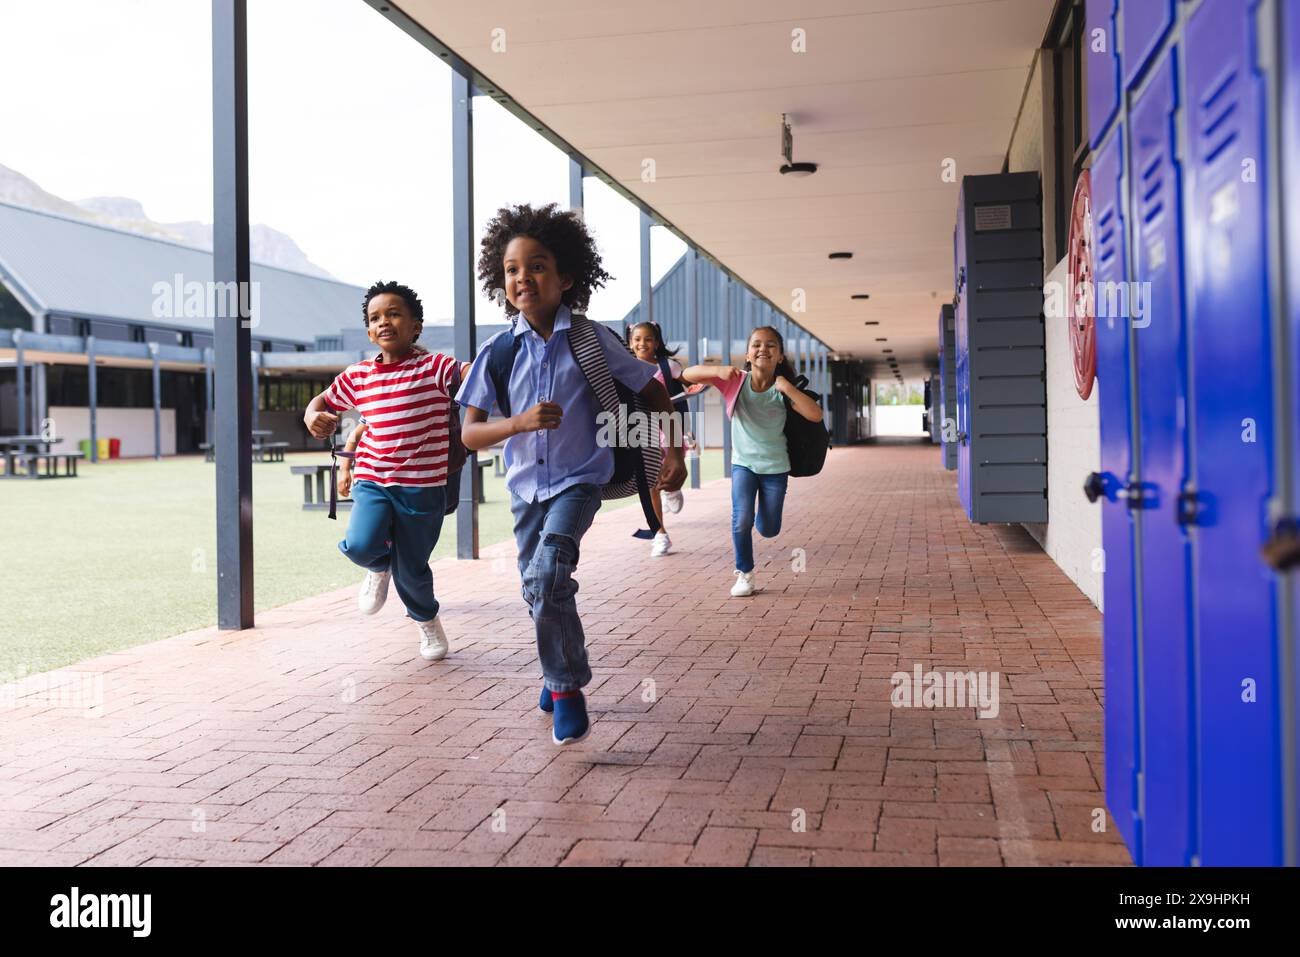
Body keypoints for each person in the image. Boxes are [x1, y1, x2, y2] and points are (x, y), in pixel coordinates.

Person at [456, 203, 686, 745]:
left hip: (580, 481)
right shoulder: (497, 350)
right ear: (500, 280)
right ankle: (553, 666)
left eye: (537, 266)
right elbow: (469, 434)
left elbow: (654, 391)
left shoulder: (591, 339)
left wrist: (672, 453)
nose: (523, 278)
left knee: (548, 574)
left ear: (566, 277)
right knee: (537, 589)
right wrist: (517, 422)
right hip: (524, 493)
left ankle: (566, 689)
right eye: (512, 269)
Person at [303, 281, 464, 662]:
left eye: (394, 314)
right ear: (369, 331)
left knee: (412, 571)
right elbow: (323, 400)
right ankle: (378, 567)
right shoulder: (358, 376)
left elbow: (473, 375)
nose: (384, 322)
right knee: (360, 544)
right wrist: (312, 413)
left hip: (423, 489)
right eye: (375, 318)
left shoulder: (435, 367)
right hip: (373, 480)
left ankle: (427, 620)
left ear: (416, 326)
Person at [681, 325, 822, 597]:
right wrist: (717, 371)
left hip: (775, 468)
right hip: (743, 464)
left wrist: (788, 388)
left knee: (769, 529)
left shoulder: (783, 389)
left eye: (771, 345)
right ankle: (744, 573)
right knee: (740, 519)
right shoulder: (736, 381)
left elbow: (815, 415)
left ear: (780, 356)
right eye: (757, 344)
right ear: (748, 354)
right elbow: (687, 375)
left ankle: (758, 520)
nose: (763, 349)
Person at [627, 320, 689, 556]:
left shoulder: (668, 367)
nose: (642, 343)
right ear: (631, 343)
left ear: (657, 343)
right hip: (643, 431)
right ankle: (660, 534)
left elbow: (689, 382)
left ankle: (672, 489)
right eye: (637, 339)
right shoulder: (626, 366)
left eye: (648, 339)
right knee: (650, 483)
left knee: (670, 471)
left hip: (670, 429)